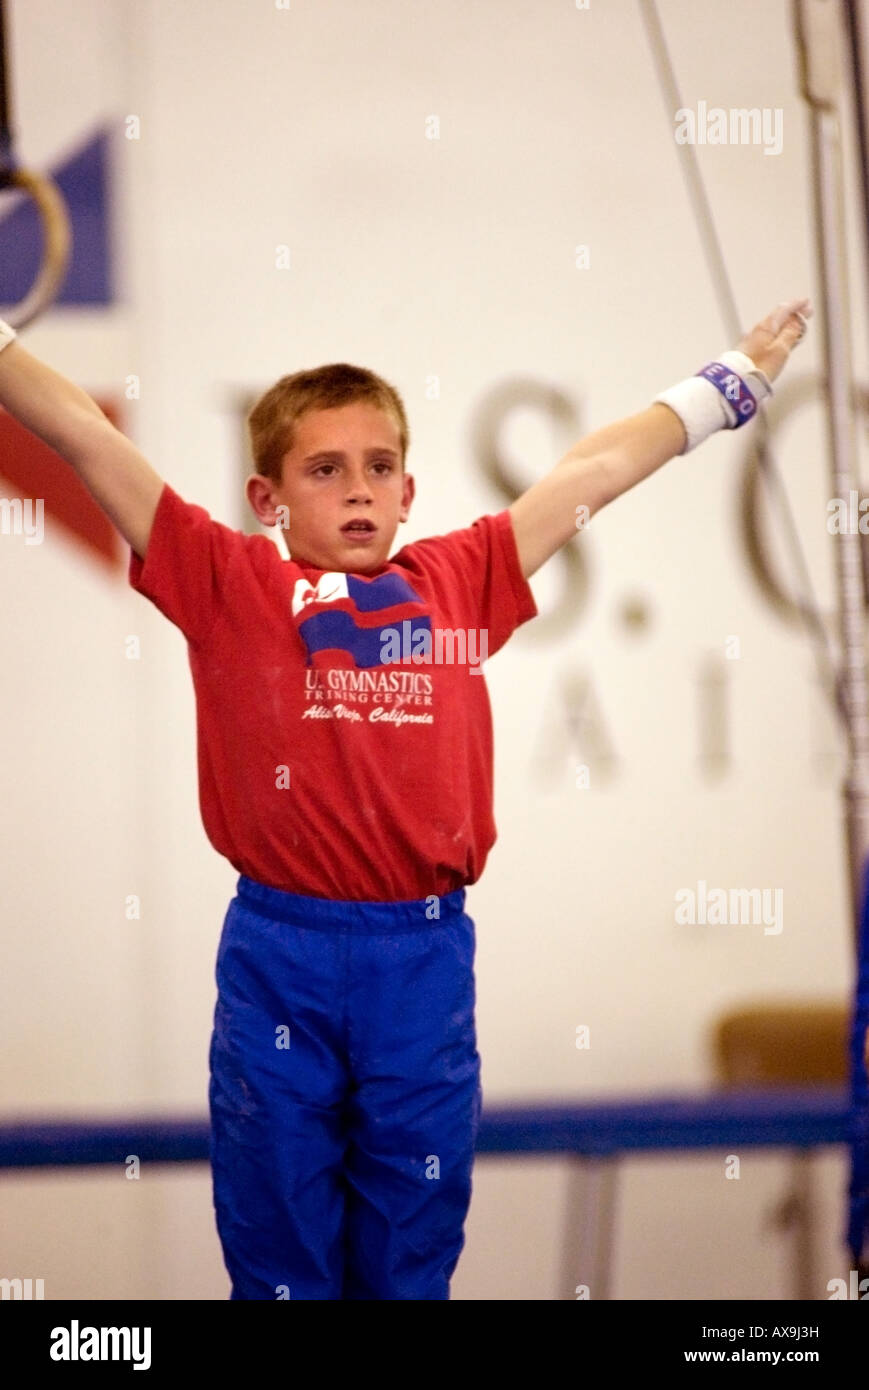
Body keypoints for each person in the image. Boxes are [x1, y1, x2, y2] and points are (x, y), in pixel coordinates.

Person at [0, 297, 811, 1299]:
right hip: (279, 955)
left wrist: (728, 382)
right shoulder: (225, 580)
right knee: (279, 1249)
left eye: (378, 468)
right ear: (268, 496)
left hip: (419, 958)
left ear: (407, 489)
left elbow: (590, 472)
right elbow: (83, 434)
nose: (357, 491)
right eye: (324, 470)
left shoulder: (459, 578)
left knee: (408, 1252)